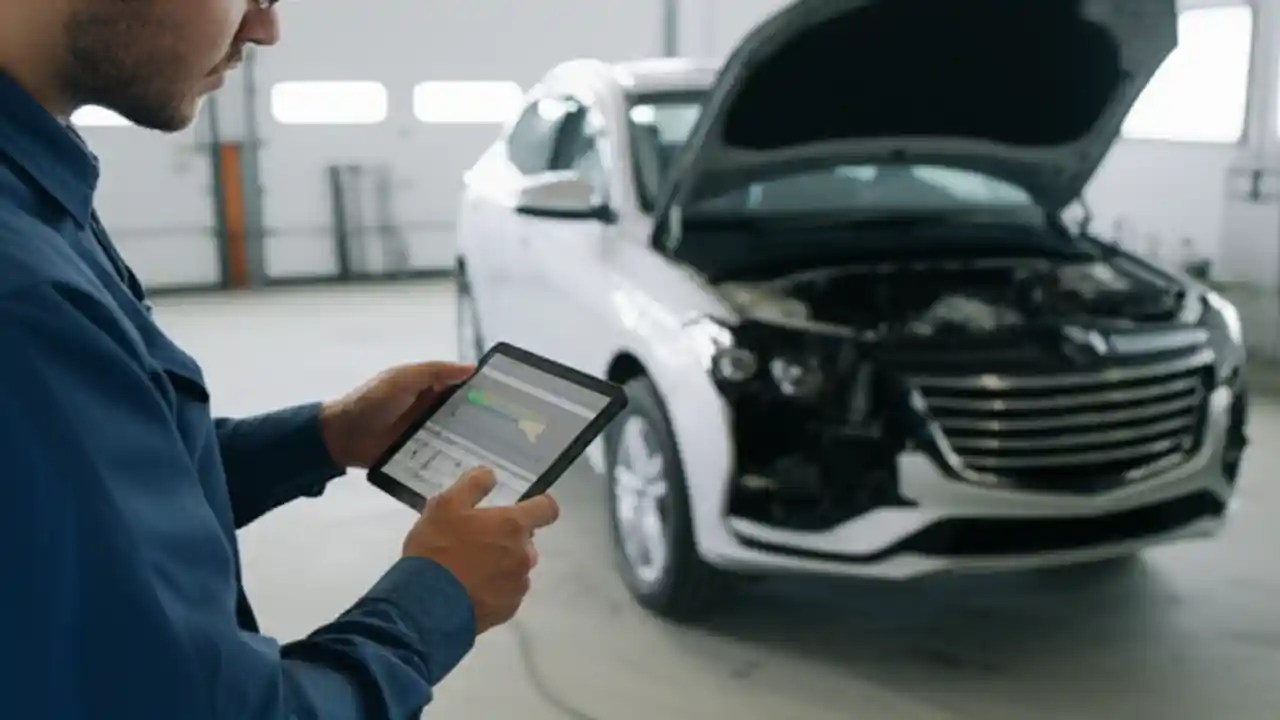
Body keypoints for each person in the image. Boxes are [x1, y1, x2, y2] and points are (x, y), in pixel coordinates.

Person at [0, 1, 560, 718]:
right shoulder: (21, 294)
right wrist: (438, 596)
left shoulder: (34, 187)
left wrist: (322, 435)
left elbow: (81, 514)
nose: (263, 29)